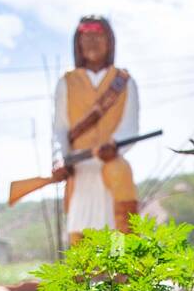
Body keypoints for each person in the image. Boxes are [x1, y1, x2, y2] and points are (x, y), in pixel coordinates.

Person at [50, 16, 140, 242]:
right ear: (78, 43)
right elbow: (59, 128)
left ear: (109, 41)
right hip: (79, 171)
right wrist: (59, 159)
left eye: (98, 36)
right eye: (86, 36)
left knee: (119, 237)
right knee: (80, 237)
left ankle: (122, 272)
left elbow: (130, 126)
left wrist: (116, 145)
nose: (92, 42)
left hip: (111, 167)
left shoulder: (124, 81)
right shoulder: (66, 82)